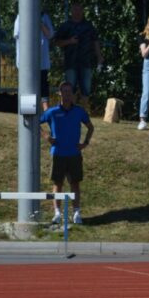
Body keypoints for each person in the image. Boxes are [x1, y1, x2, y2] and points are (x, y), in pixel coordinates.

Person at [40, 81, 94, 225]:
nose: (67, 94)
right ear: (60, 93)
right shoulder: (52, 111)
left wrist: (85, 143)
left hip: (74, 154)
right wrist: (46, 137)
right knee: (58, 183)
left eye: (70, 92)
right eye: (64, 91)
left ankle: (76, 212)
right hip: (58, 153)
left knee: (75, 183)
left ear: (73, 94)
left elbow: (90, 127)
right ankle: (57, 213)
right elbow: (36, 123)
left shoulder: (79, 111)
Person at [54, 2, 102, 99]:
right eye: (75, 9)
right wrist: (69, 41)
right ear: (71, 11)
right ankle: (71, 111)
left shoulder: (89, 26)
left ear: (83, 11)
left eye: (79, 9)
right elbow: (57, 42)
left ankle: (84, 112)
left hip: (86, 62)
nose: (77, 12)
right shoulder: (65, 26)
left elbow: (95, 41)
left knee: (86, 89)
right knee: (70, 89)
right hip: (71, 62)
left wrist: (99, 56)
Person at [14, 11, 54, 108]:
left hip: (42, 62)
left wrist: (40, 24)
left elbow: (50, 34)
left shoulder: (44, 17)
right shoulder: (21, 16)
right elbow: (17, 35)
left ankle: (46, 111)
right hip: (26, 62)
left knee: (43, 86)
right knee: (28, 87)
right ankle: (29, 114)